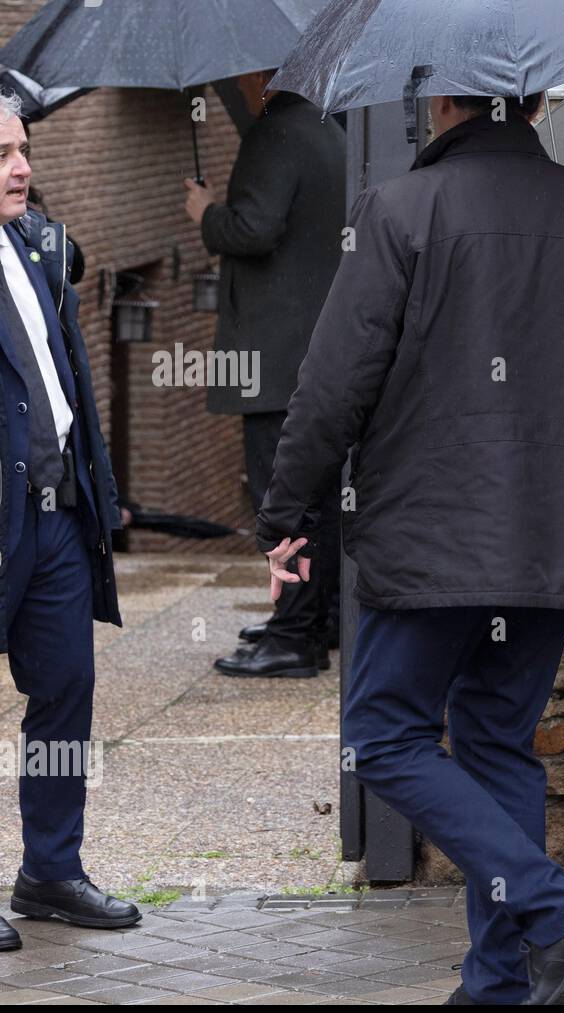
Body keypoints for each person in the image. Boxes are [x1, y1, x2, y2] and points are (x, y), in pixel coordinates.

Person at [253, 93, 564, 1004]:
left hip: (431, 532)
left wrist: (287, 509)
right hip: (552, 535)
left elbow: (333, 385)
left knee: (383, 736)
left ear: (442, 101)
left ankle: (550, 909)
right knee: (495, 742)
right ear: (530, 100)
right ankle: (500, 987)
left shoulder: (400, 210)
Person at [0, 91, 140, 951]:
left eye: (20, 149)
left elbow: (67, 382)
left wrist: (101, 487)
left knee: (65, 691)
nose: (20, 167)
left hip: (53, 516)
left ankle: (50, 869)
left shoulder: (33, 245)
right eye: (0, 154)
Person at [183, 68, 346, 679]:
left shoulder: (275, 131)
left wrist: (206, 212)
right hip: (311, 354)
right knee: (318, 499)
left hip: (274, 362)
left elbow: (254, 228)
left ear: (262, 73)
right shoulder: (324, 124)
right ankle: (317, 618)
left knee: (284, 500)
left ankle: (294, 637)